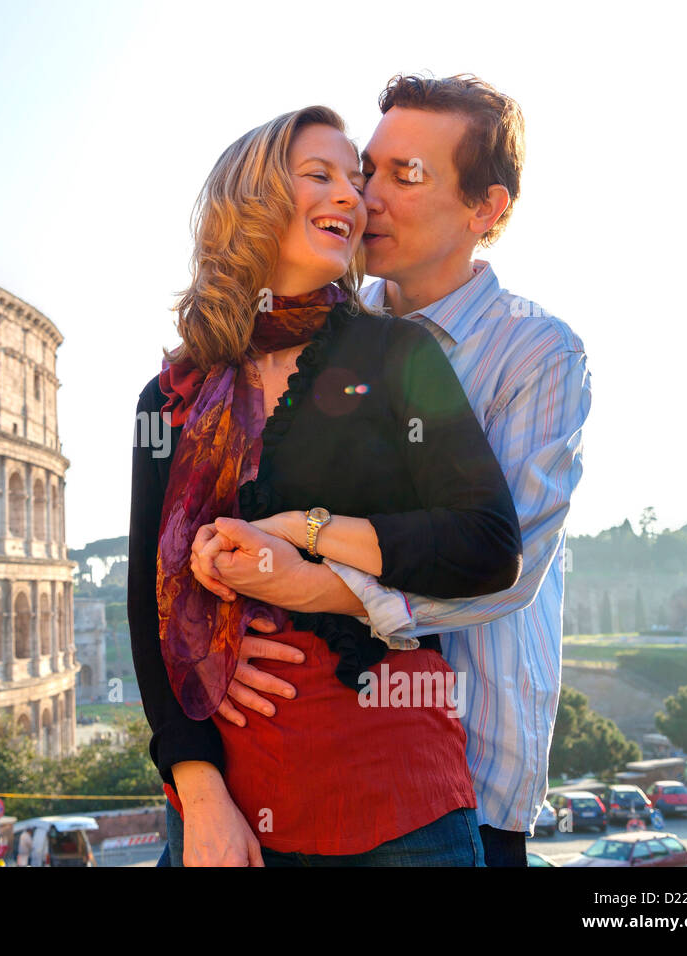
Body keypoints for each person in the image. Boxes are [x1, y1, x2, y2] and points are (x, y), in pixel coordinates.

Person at [201, 74, 592, 868]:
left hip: (476, 769)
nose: (366, 196)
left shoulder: (540, 353)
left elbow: (503, 569)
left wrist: (304, 588)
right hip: (313, 769)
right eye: (365, 170)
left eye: (404, 176)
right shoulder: (307, 340)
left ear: (487, 210)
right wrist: (220, 645)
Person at [129, 104, 523, 866]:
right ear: (250, 200)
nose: (353, 196)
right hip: (225, 805)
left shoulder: (400, 353)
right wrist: (199, 789)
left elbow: (487, 544)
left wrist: (303, 534)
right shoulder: (169, 398)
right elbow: (150, 602)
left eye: (357, 178)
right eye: (322, 175)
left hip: (397, 798)